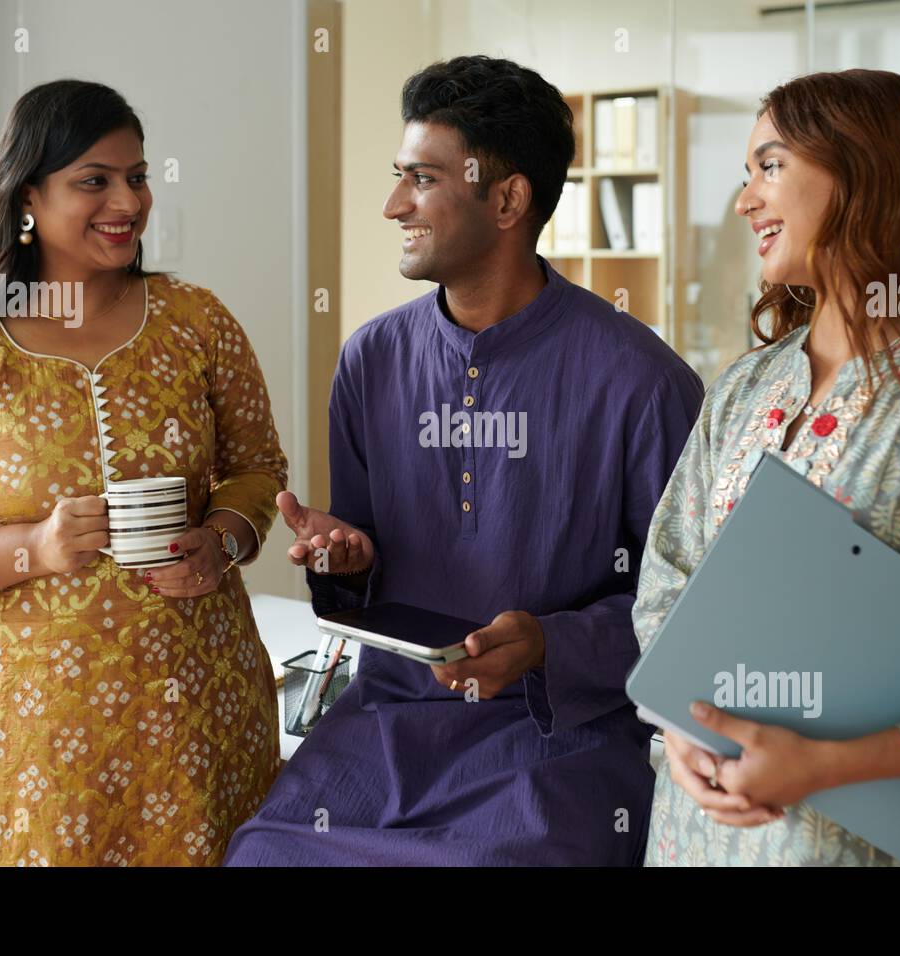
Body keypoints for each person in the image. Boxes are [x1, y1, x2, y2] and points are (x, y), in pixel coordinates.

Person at [223, 55, 703, 866]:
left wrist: (551, 642)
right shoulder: (371, 361)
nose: (392, 204)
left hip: (555, 741)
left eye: (422, 178)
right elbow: (364, 586)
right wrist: (345, 561)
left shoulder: (641, 381)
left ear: (508, 198)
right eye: (397, 175)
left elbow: (688, 614)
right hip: (385, 726)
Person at [634, 69, 900, 866]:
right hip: (691, 835)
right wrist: (680, 725)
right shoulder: (742, 389)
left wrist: (826, 765)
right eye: (746, 175)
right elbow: (666, 581)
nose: (744, 201)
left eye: (769, 167)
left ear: (862, 174)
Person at [0, 80, 287, 866]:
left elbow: (257, 467)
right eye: (95, 180)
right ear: (28, 197)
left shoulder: (197, 321)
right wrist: (33, 548)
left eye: (138, 176)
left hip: (202, 721)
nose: (128, 199)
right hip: (30, 749)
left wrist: (221, 539)